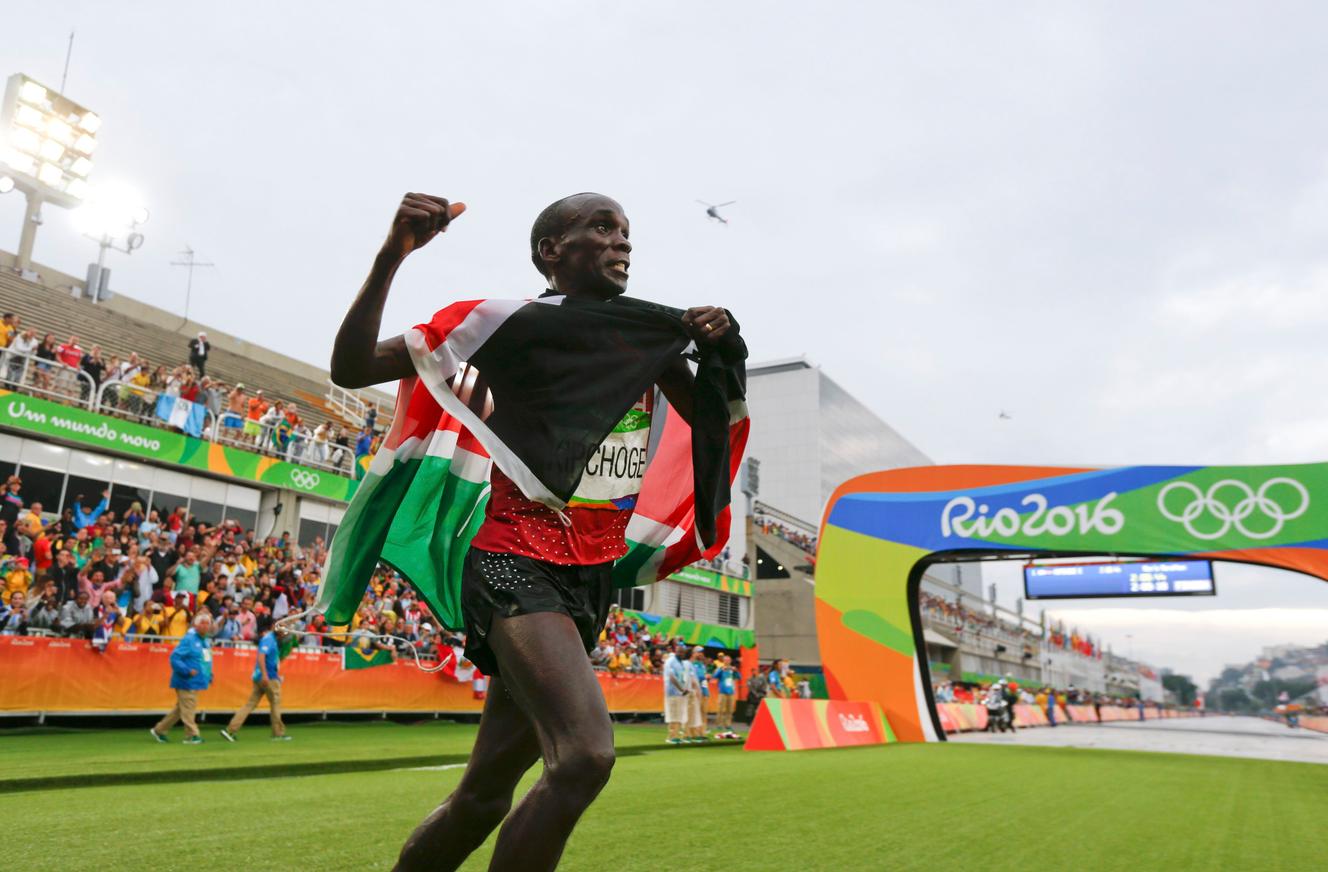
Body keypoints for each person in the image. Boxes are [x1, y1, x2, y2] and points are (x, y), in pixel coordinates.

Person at [330, 192, 741, 872]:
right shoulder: (508, 324)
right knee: (584, 758)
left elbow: (712, 424)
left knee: (482, 798)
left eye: (626, 231)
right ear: (551, 250)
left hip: (590, 579)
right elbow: (351, 369)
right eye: (602, 227)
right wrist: (391, 257)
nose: (622, 242)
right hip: (514, 562)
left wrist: (719, 346)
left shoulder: (647, 341)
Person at [221, 614, 290, 742]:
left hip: (260, 676)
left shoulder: (270, 639)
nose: (284, 631)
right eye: (282, 628)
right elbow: (261, 657)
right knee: (275, 705)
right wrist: (265, 675)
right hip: (268, 677)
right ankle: (278, 733)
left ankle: (230, 730)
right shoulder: (269, 639)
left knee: (250, 705)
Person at [150, 611, 214, 744]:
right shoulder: (189, 639)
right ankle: (192, 735)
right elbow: (174, 657)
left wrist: (209, 674)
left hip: (197, 680)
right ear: (196, 625)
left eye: (207, 623)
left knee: (181, 709)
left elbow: (206, 660)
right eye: (202, 623)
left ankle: (159, 730)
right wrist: (186, 670)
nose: (205, 626)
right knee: (189, 708)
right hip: (186, 680)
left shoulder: (205, 641)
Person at [663, 641, 692, 745]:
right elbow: (672, 677)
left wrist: (684, 689)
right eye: (679, 651)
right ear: (676, 651)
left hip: (680, 693)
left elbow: (682, 677)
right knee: (673, 714)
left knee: (679, 714)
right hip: (672, 692)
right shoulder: (671, 661)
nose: (681, 653)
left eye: (682, 652)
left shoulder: (681, 663)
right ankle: (671, 737)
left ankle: (676, 735)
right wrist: (682, 689)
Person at [713, 653, 741, 739]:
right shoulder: (721, 668)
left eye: (728, 660)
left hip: (731, 692)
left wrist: (736, 671)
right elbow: (715, 676)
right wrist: (721, 669)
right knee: (721, 708)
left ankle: (728, 724)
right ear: (723, 661)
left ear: (730, 661)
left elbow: (739, 677)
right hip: (722, 692)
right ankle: (719, 724)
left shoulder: (732, 669)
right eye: (725, 660)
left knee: (730, 709)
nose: (727, 661)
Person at [687, 646, 709, 741]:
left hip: (704, 691)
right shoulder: (691, 664)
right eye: (699, 652)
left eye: (702, 652)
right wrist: (704, 677)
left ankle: (702, 732)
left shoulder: (702, 665)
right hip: (695, 692)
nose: (701, 654)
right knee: (694, 713)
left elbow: (703, 679)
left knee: (703, 713)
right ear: (694, 653)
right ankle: (693, 733)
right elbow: (695, 678)